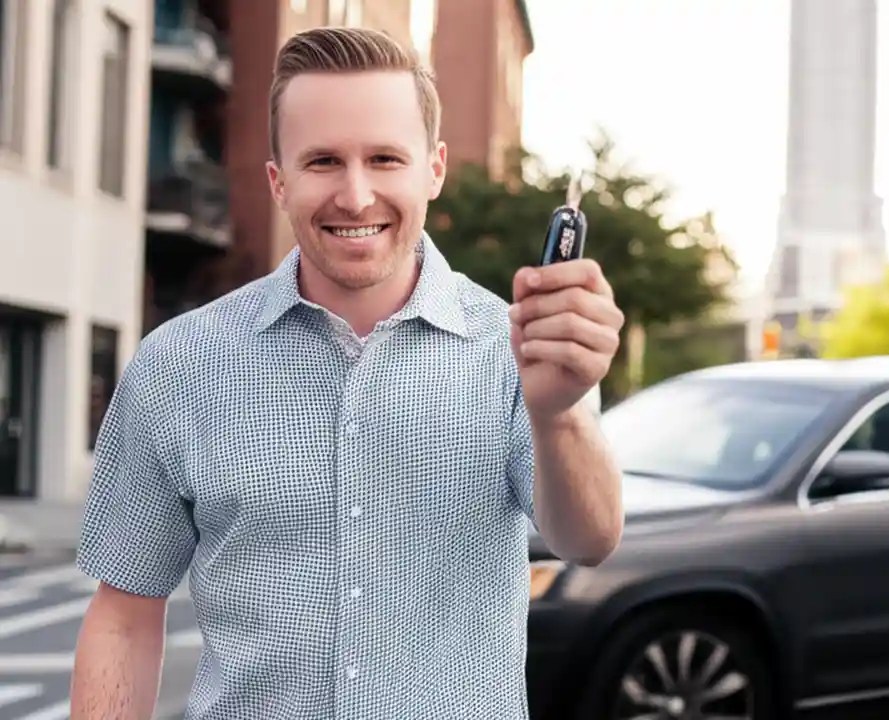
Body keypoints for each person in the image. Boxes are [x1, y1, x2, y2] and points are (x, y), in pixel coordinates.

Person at [69, 26, 625, 720]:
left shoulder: (522, 351)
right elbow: (124, 612)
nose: (356, 196)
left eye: (385, 158)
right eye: (324, 161)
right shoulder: (178, 365)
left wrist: (559, 414)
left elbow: (589, 540)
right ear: (278, 180)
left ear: (434, 168)